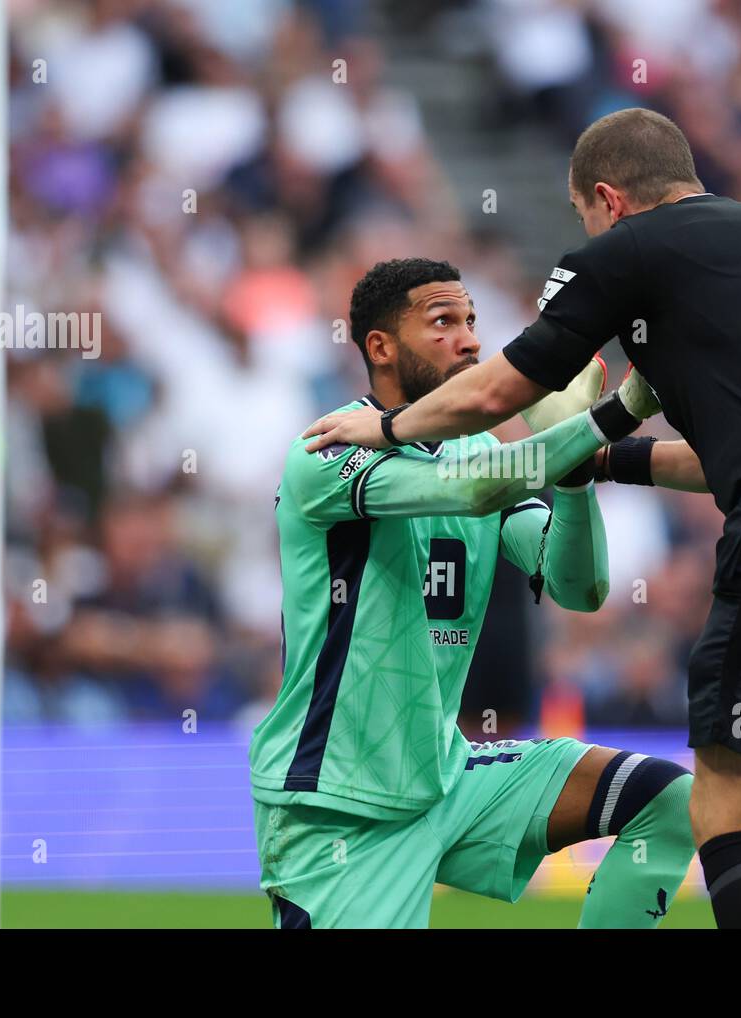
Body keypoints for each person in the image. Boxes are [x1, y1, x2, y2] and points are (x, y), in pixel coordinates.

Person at [303, 110, 741, 929]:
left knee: (729, 814)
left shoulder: (630, 250)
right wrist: (601, 457)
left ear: (608, 200)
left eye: (583, 219)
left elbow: (500, 394)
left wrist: (387, 428)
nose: (587, 235)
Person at [253, 256, 692, 928]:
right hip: (338, 803)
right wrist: (619, 412)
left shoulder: (478, 453)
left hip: (447, 778)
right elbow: (473, 488)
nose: (470, 340)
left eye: (472, 321)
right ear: (381, 346)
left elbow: (579, 588)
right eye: (443, 322)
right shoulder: (329, 450)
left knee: (666, 801)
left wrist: (572, 479)